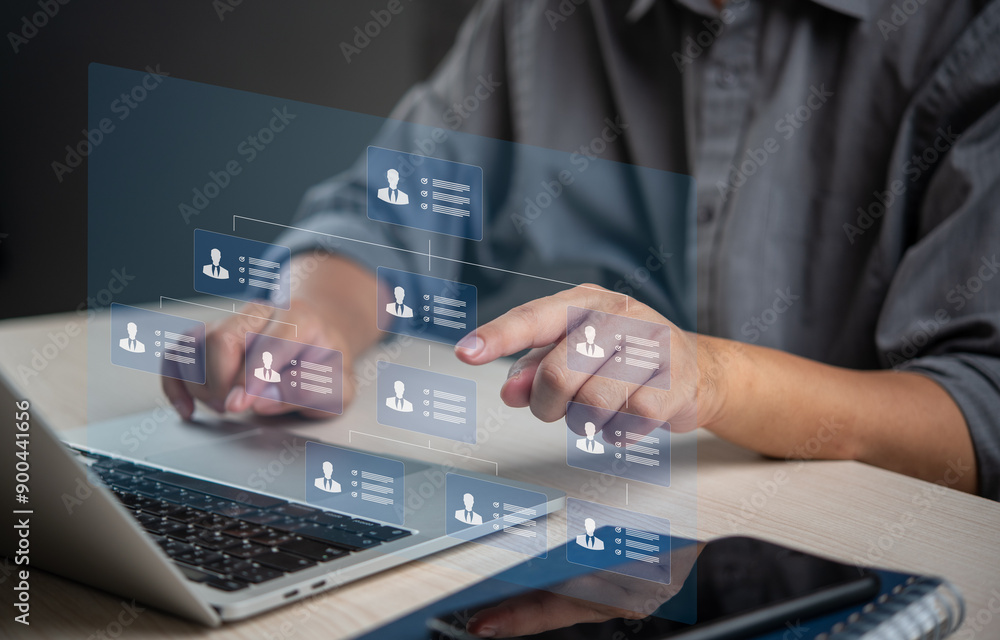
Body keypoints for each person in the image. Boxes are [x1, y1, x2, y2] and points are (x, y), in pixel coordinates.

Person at [164, 0, 1000, 511]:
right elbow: (380, 214)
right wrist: (313, 317)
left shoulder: (970, 28)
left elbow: (978, 414)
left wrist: (709, 379)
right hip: (561, 537)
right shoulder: (540, 15)